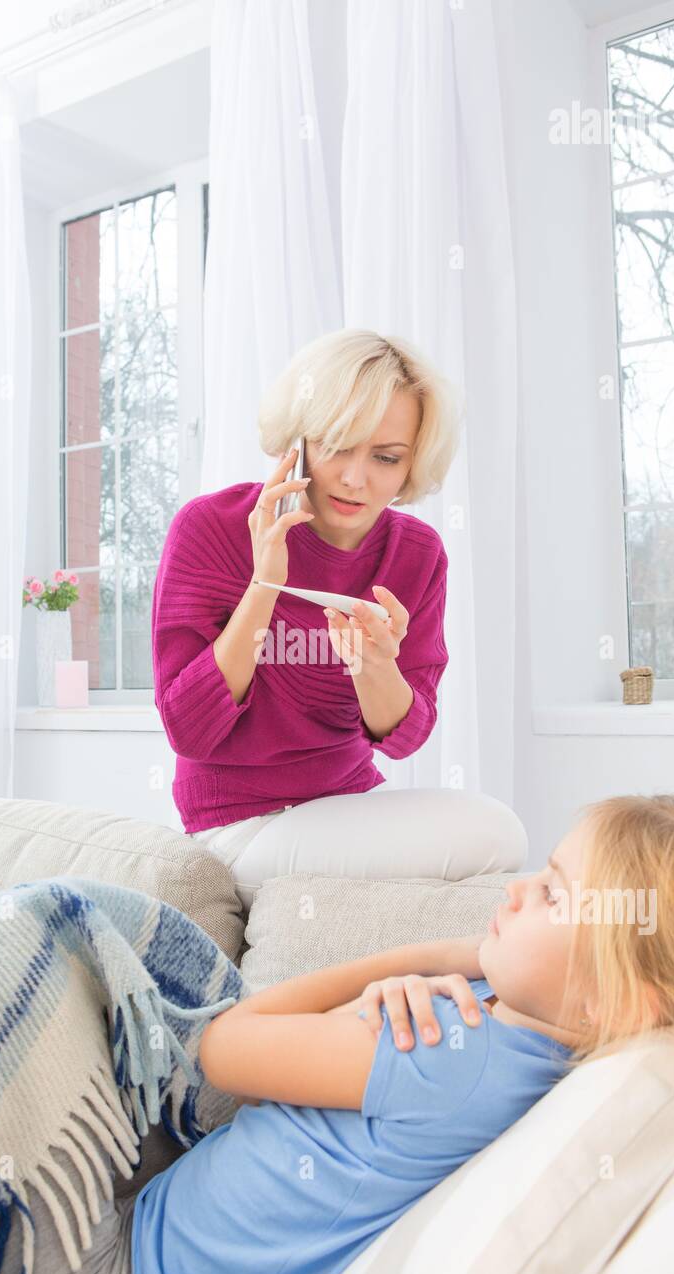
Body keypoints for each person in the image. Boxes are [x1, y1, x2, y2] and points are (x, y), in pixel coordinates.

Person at [0, 792, 674, 1274]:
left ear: (616, 998)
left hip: (121, 1273)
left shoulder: (455, 1052)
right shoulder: (517, 1042)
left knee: (21, 943)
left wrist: (416, 958)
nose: (514, 893)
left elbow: (220, 1050)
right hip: (154, 1238)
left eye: (551, 895)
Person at [151, 328, 525, 910]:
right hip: (235, 826)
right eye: (337, 446)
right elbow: (189, 731)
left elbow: (404, 739)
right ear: (297, 441)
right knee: (491, 836)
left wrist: (374, 664)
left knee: (500, 830)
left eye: (386, 458)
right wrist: (264, 583)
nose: (356, 479)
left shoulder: (417, 553)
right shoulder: (211, 527)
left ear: (412, 464)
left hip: (349, 806)